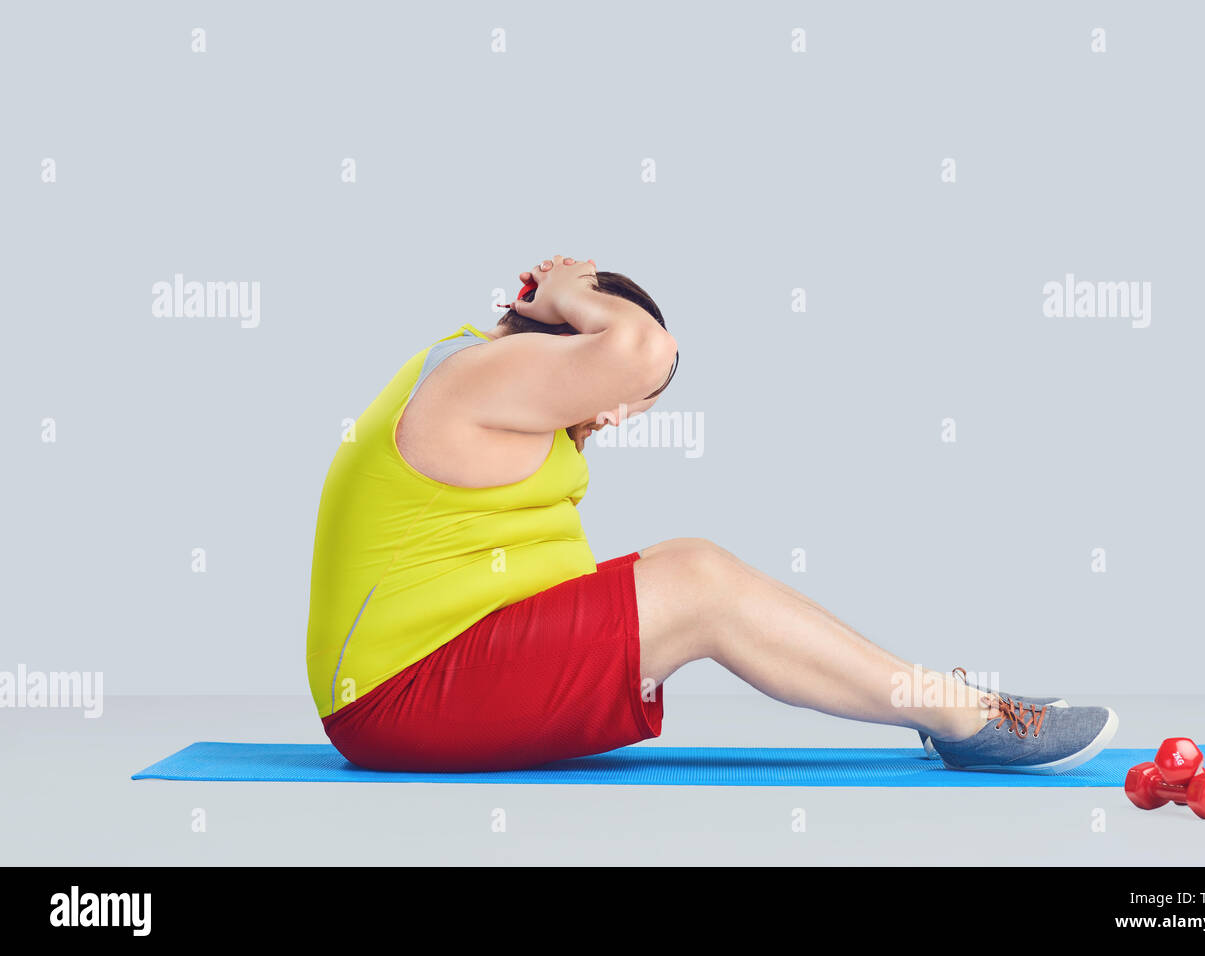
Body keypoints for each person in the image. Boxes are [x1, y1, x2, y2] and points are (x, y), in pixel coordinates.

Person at [305, 254, 1118, 773]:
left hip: (429, 680)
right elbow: (645, 349)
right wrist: (571, 290)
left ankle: (941, 702)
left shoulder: (482, 380)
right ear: (567, 336)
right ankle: (959, 715)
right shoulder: (477, 377)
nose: (615, 420)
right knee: (695, 580)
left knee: (689, 565)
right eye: (625, 404)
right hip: (401, 701)